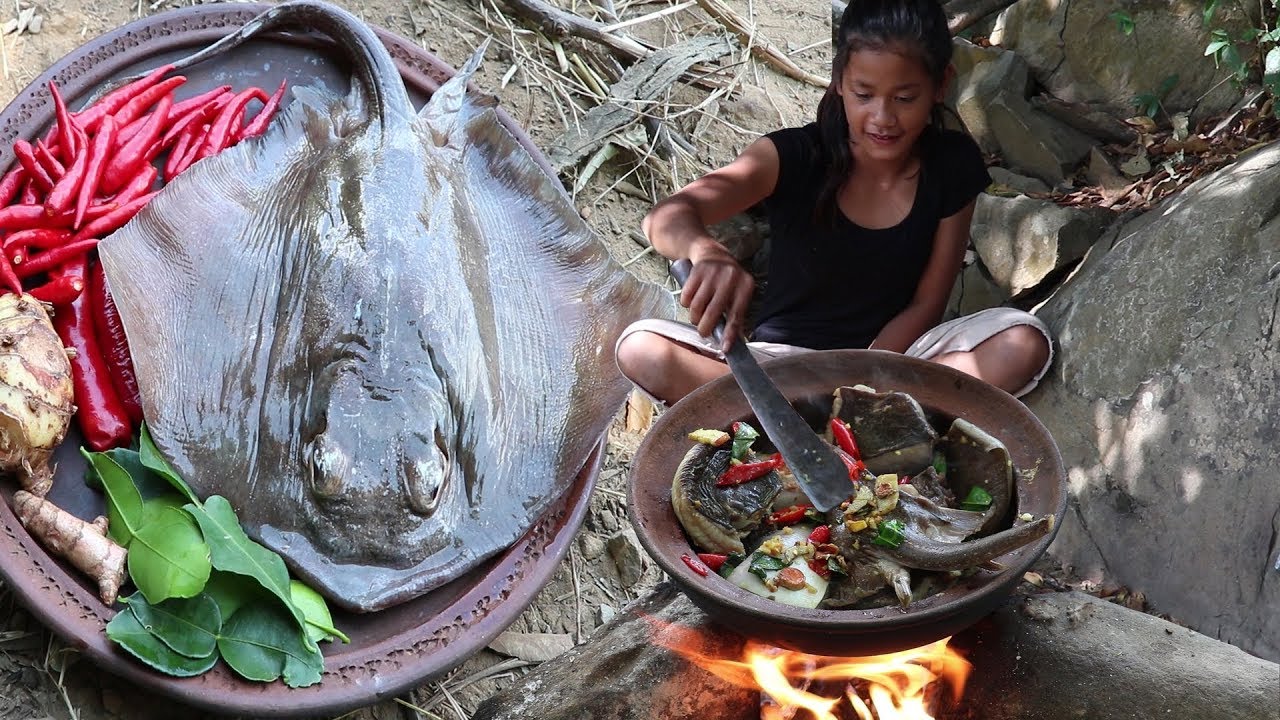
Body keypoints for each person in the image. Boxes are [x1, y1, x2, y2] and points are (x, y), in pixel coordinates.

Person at [615, 0, 1052, 407]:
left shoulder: (951, 164)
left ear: (940, 86)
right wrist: (703, 249)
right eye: (864, 94)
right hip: (781, 366)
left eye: (904, 98)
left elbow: (926, 303)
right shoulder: (792, 155)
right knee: (642, 348)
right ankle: (831, 416)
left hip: (894, 365)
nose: (882, 117)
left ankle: (825, 419)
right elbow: (665, 216)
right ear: (840, 81)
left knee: (1022, 342)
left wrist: (865, 381)